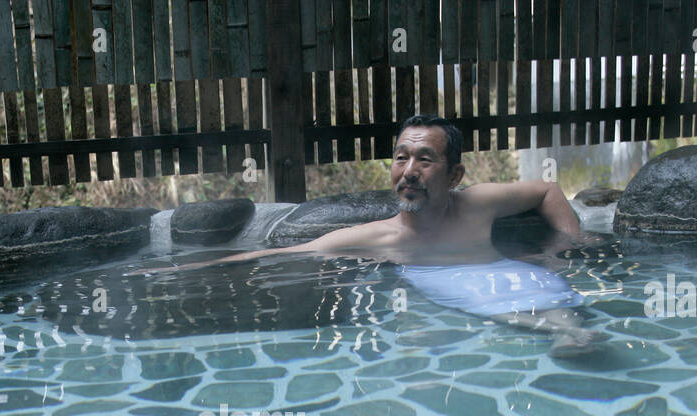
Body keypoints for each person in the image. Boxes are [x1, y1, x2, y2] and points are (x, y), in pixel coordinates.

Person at [132, 114, 609, 357]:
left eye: (425, 159)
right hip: (447, 287)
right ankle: (566, 333)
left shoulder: (479, 202)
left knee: (535, 290)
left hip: (501, 272)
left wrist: (568, 247)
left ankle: (567, 329)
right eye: (402, 158)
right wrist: (185, 270)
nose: (409, 171)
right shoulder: (380, 237)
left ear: (455, 172)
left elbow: (548, 189)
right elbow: (294, 251)